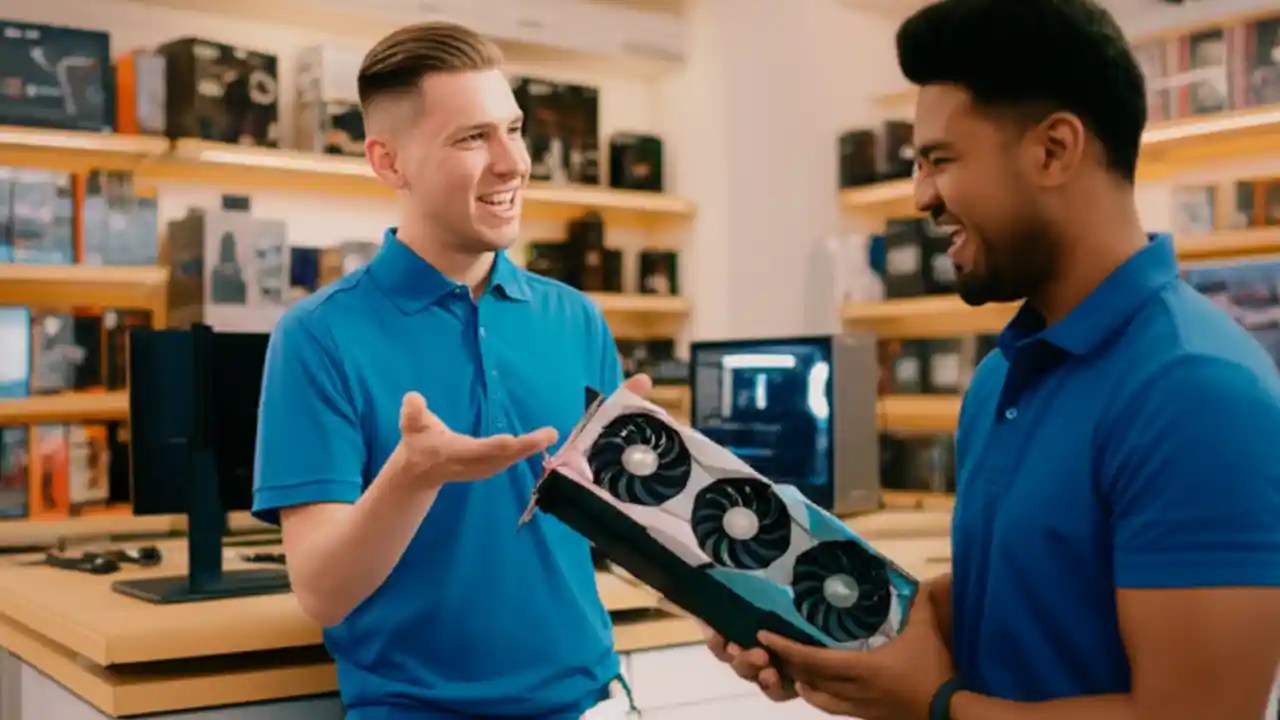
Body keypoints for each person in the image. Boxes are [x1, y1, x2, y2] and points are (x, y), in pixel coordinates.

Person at [704, 0, 1280, 718]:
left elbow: (1198, 716)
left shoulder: (1197, 391)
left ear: (1054, 150)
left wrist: (933, 706)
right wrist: (829, 636)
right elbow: (1016, 596)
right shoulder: (1000, 378)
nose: (920, 196)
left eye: (940, 160)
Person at [251, 21, 650, 720]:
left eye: (514, 128)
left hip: (591, 704)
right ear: (389, 162)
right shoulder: (317, 337)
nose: (512, 162)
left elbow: (620, 539)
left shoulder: (576, 319)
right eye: (472, 138)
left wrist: (661, 482)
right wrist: (414, 474)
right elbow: (321, 591)